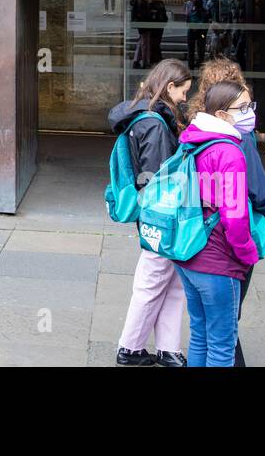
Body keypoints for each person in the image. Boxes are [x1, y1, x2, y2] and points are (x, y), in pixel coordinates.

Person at [185, 57, 265, 366]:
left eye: (251, 106)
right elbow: (234, 216)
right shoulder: (229, 152)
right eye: (244, 109)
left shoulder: (193, 140)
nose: (251, 114)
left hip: (190, 255)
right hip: (219, 262)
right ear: (222, 114)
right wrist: (248, 253)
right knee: (222, 347)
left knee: (200, 335)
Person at [108, 58, 193, 367]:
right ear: (169, 87)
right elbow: (158, 179)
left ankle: (167, 349)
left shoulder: (143, 115)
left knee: (171, 282)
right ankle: (129, 348)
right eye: (183, 91)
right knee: (155, 280)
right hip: (162, 216)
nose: (185, 98)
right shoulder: (155, 125)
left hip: (155, 215)